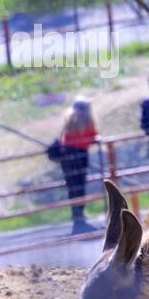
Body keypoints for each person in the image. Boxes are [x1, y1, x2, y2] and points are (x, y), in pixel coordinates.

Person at [58, 97, 98, 235]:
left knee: (71, 186)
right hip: (80, 155)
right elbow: (93, 136)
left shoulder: (68, 117)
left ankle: (75, 214)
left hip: (66, 156)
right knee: (80, 185)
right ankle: (80, 214)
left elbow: (63, 136)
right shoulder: (87, 119)